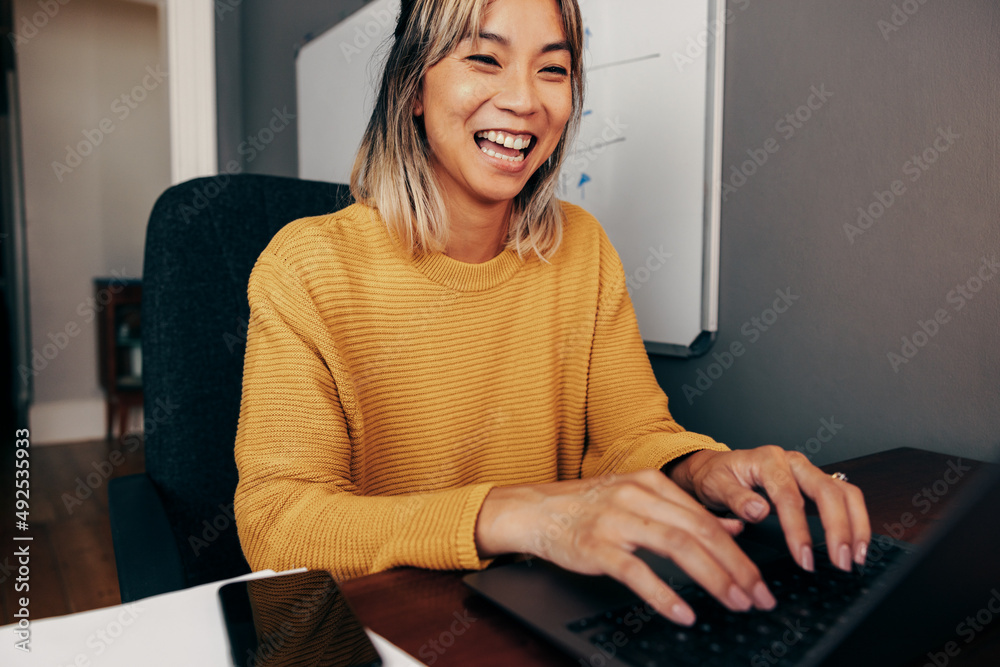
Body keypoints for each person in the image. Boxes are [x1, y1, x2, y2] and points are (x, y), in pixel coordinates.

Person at [234, 0, 870, 627]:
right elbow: (280, 524)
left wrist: (700, 467)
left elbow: (630, 436)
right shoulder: (307, 267)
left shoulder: (582, 247)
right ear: (413, 88)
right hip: (378, 631)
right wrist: (514, 514)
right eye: (485, 59)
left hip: (536, 618)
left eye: (553, 70)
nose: (524, 101)